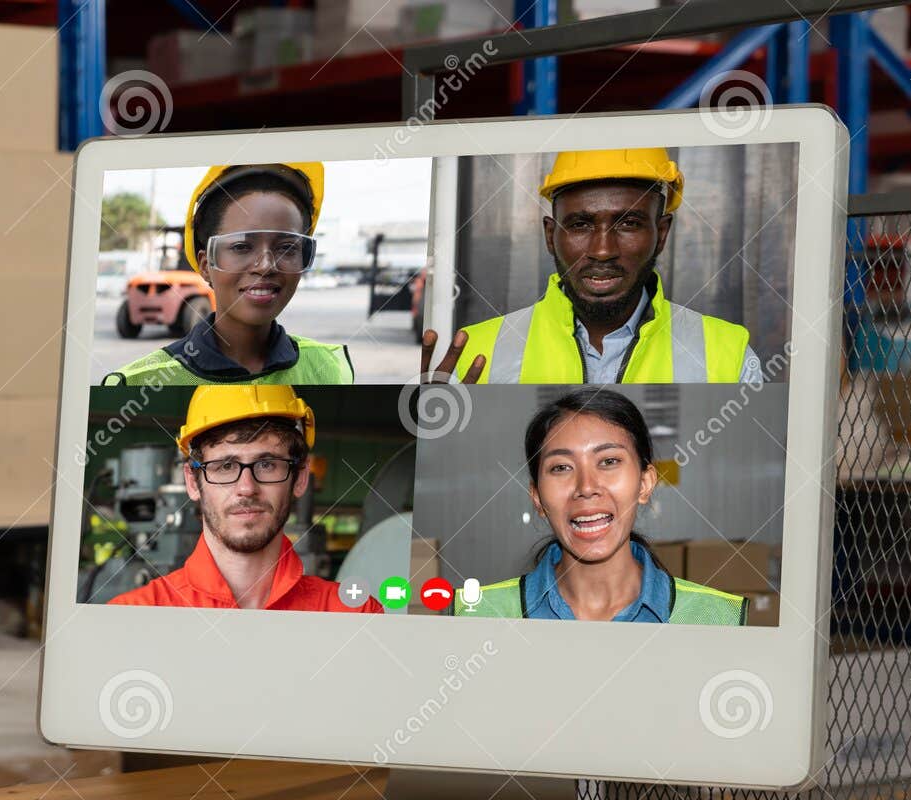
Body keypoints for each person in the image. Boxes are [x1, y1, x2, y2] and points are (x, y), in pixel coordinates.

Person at [420, 148, 762, 386]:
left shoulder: (729, 356)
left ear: (661, 234)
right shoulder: (473, 353)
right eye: (580, 225)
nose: (602, 251)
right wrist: (430, 435)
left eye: (628, 224)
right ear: (551, 235)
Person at [453, 388, 748, 624]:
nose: (586, 487)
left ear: (645, 483)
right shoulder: (479, 613)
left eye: (608, 461)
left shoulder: (717, 618)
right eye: (561, 467)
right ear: (537, 498)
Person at [110, 384, 380, 612]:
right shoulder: (133, 616)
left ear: (299, 477)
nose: (247, 488)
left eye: (267, 464)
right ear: (192, 482)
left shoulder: (354, 615)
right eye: (226, 466)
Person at [102, 163, 354, 386]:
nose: (266, 266)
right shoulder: (135, 384)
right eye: (241, 247)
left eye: (286, 248)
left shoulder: (329, 368)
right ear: (205, 265)